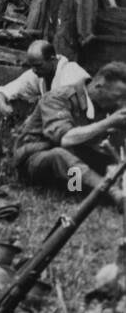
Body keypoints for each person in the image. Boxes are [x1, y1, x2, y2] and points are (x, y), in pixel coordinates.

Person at [12, 61, 126, 211]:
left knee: (109, 161)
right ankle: (114, 195)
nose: (122, 103)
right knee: (60, 156)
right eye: (119, 96)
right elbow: (66, 139)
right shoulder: (57, 98)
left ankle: (87, 190)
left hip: (73, 170)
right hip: (35, 162)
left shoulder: (104, 106)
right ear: (99, 85)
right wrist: (109, 122)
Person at [0, 40, 90, 121]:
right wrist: (3, 106)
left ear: (52, 59)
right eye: (32, 66)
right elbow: (5, 91)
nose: (34, 70)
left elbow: (72, 111)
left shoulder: (70, 72)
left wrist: (34, 119)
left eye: (38, 66)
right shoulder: (40, 73)